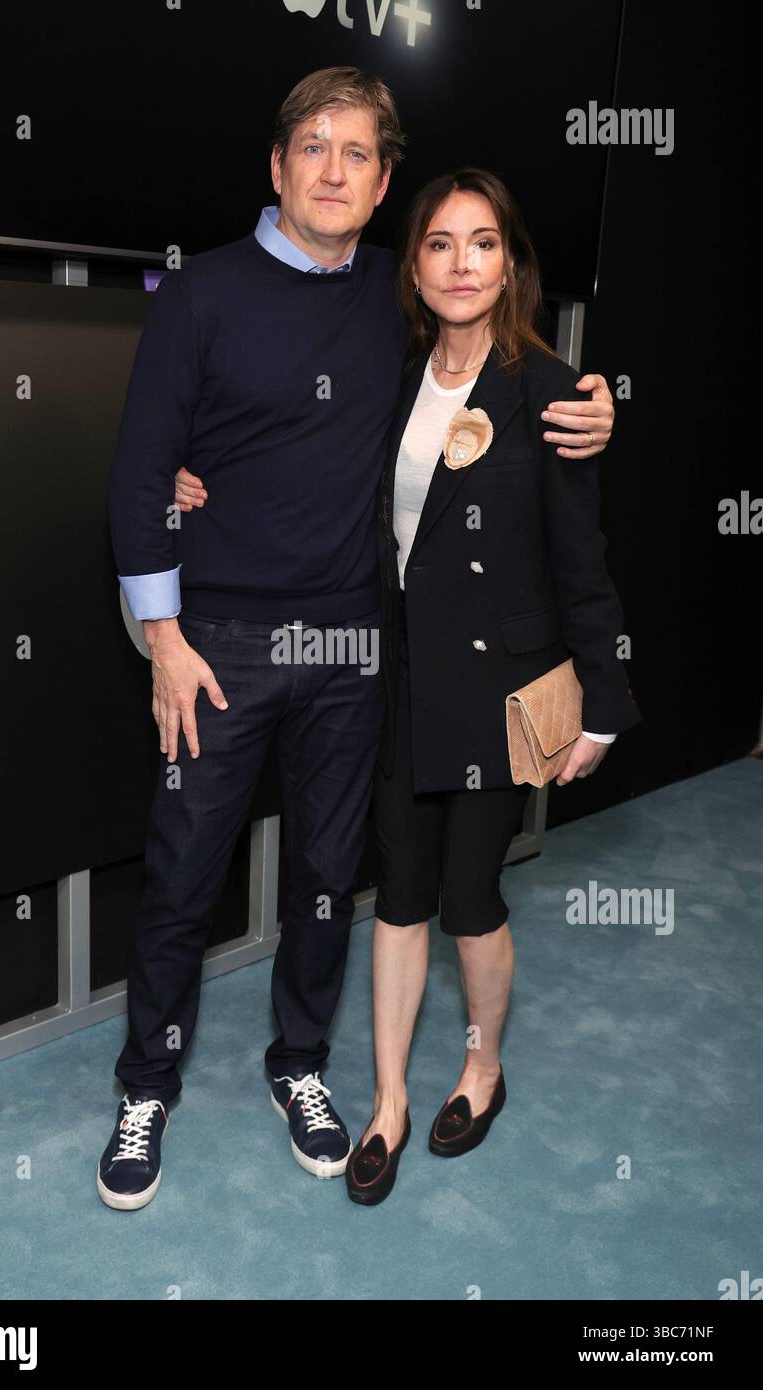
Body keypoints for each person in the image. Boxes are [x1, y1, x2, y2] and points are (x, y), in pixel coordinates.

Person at [100, 68, 617, 1211]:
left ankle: (300, 1066)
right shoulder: (199, 294)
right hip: (219, 646)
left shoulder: (400, 291)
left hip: (353, 647)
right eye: (313, 148)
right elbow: (142, 472)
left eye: (358, 154)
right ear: (278, 167)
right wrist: (164, 637)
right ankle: (146, 1084)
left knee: (332, 879)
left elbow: (501, 366)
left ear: (384, 183)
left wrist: (597, 406)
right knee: (184, 873)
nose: (334, 170)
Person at [343, 168, 642, 1206]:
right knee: (397, 900)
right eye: (437, 244)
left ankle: (481, 1068)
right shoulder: (394, 372)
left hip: (499, 684)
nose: (460, 263)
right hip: (400, 682)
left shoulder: (552, 388)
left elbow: (581, 557)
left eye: (481, 243)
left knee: (470, 900)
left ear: (509, 261)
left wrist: (602, 700)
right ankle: (384, 1099)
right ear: (413, 265)